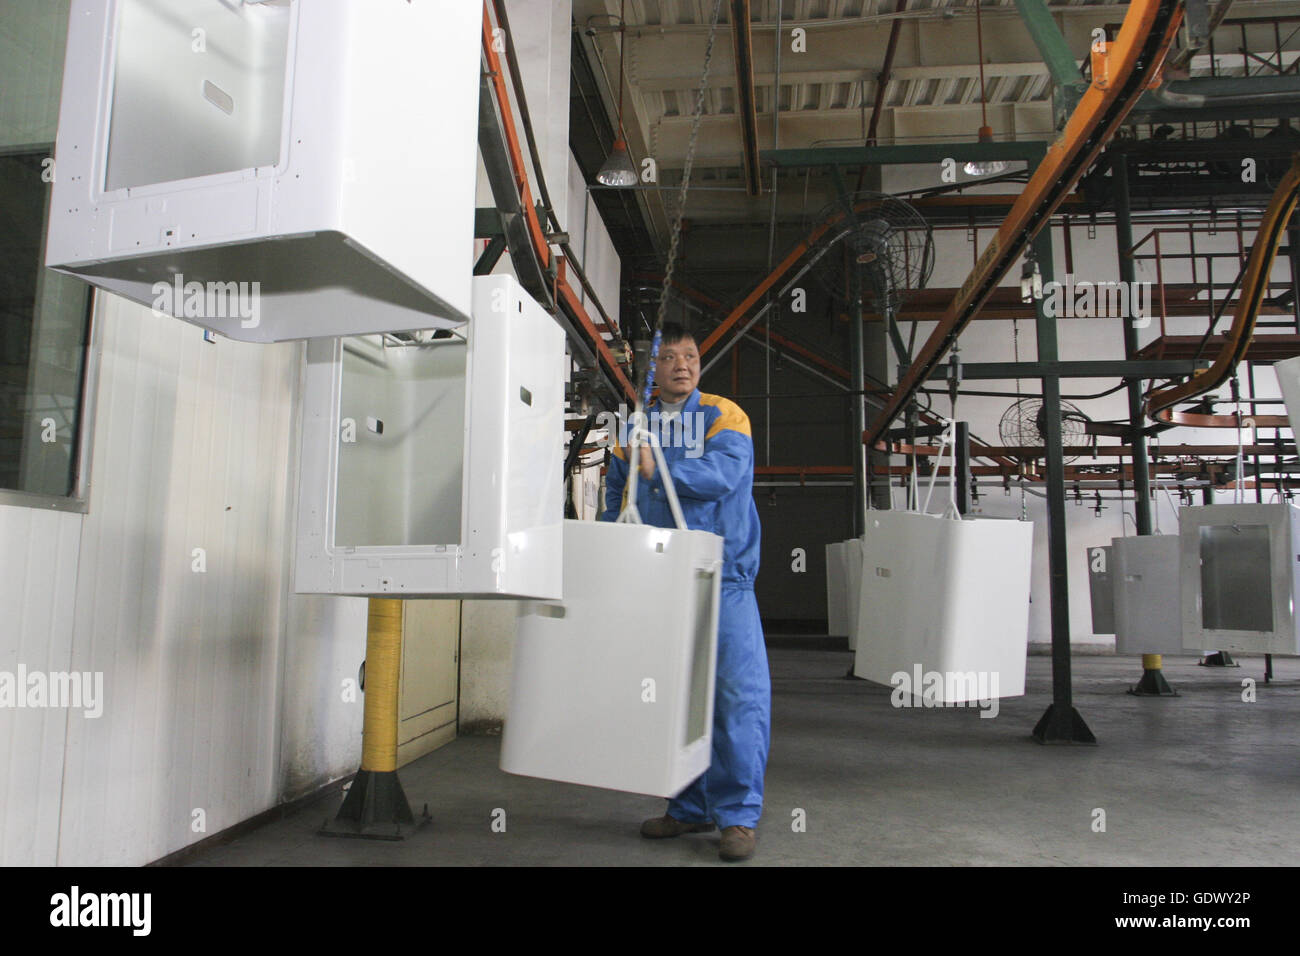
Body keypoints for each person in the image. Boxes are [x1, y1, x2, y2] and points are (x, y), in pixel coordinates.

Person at [599, 322, 770, 862]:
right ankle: (687, 806)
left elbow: (725, 475)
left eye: (690, 356)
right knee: (673, 697)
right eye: (670, 357)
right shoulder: (634, 428)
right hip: (659, 582)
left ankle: (737, 817)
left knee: (736, 697)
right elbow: (612, 495)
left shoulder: (723, 414)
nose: (682, 364)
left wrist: (660, 465)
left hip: (723, 577)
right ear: (653, 369)